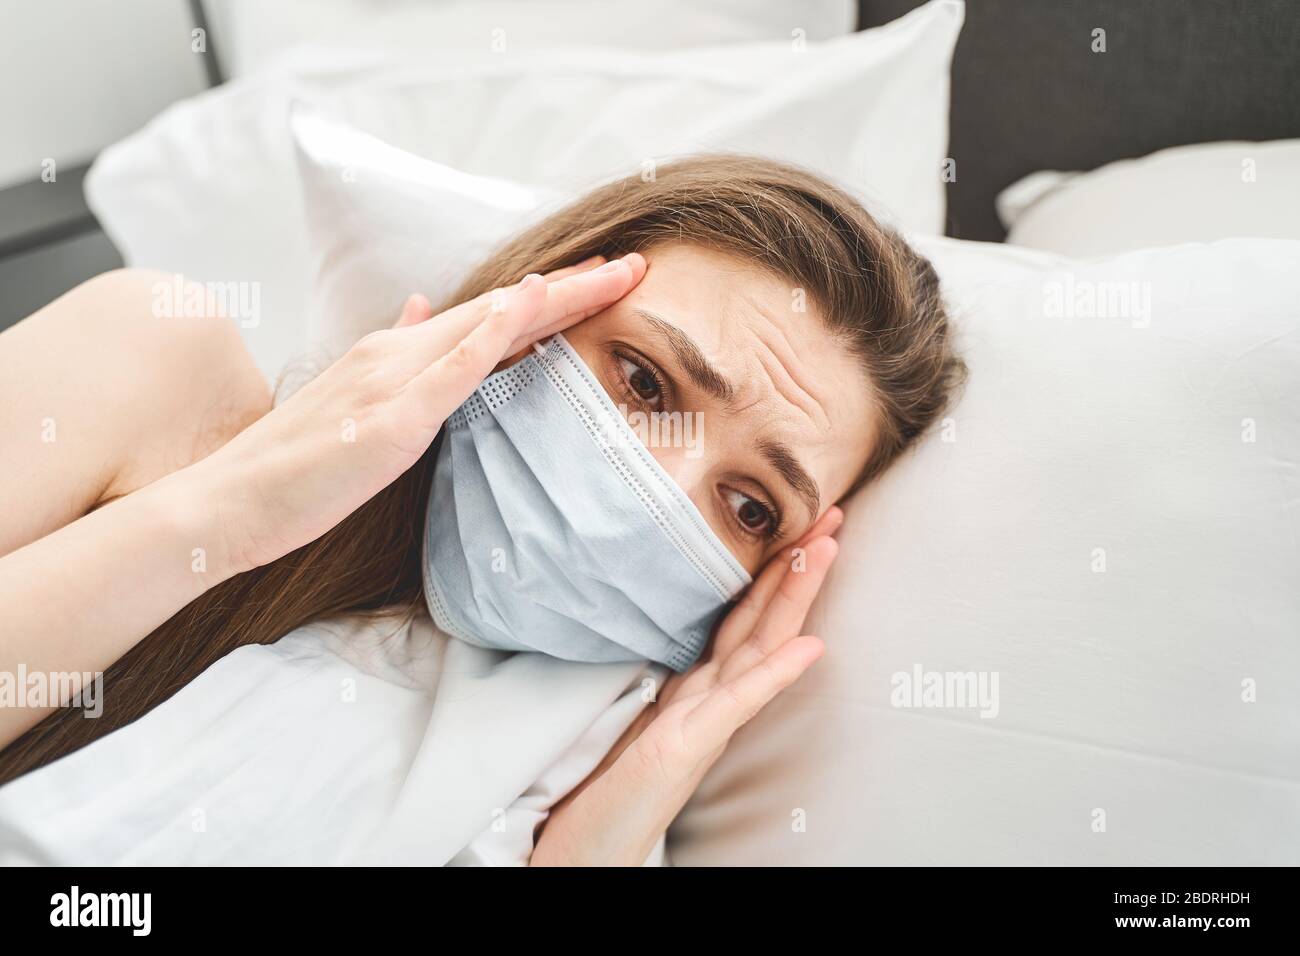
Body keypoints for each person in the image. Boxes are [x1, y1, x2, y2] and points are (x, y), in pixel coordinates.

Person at [0, 155, 964, 863]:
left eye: (751, 508)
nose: (656, 497)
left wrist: (607, 835)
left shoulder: (578, 752)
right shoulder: (153, 360)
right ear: (527, 314)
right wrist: (227, 520)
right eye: (643, 381)